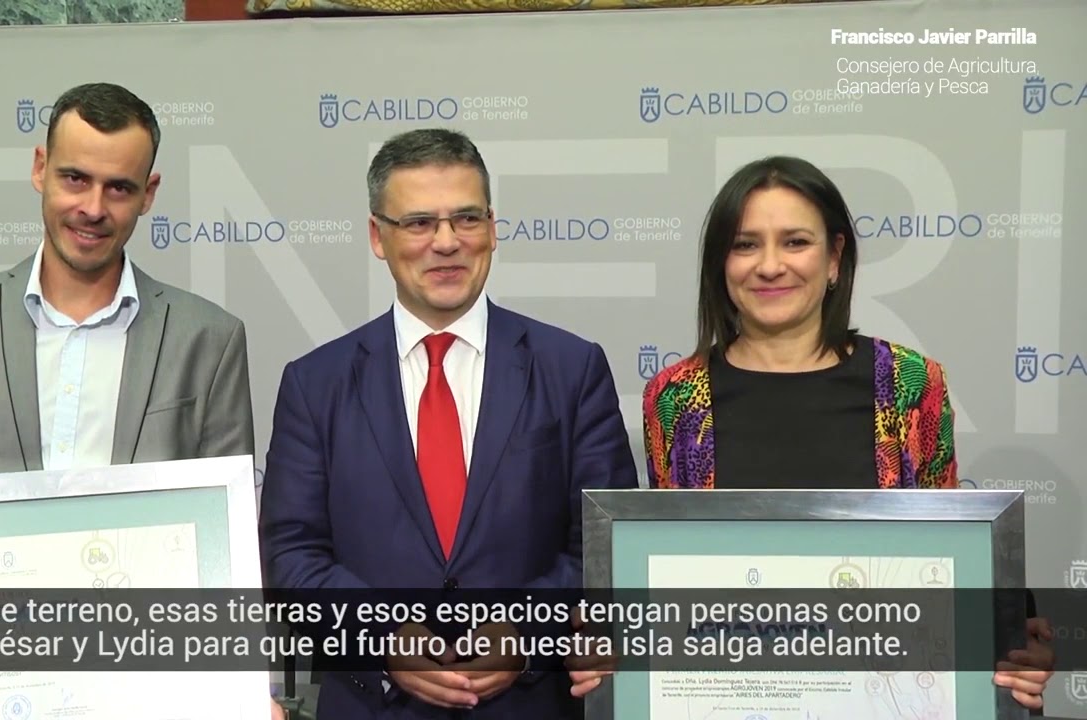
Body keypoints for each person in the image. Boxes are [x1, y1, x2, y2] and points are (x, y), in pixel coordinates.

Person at [573, 155, 1049, 707]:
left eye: (795, 241)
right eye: (745, 244)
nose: (769, 265)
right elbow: (672, 582)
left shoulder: (909, 383)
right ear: (720, 264)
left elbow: (948, 556)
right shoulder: (677, 397)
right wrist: (618, 651)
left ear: (834, 258)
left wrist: (1010, 641)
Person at [258, 127, 637, 718]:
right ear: (377, 237)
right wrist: (384, 639)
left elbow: (604, 543)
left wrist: (525, 633)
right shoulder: (316, 383)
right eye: (417, 223)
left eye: (466, 219)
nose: (446, 242)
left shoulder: (572, 367)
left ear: (492, 227)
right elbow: (290, 556)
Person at [0, 82, 254, 482]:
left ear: (148, 194)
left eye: (119, 188)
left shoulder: (210, 340)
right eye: (75, 178)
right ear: (40, 168)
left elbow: (226, 529)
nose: (93, 209)